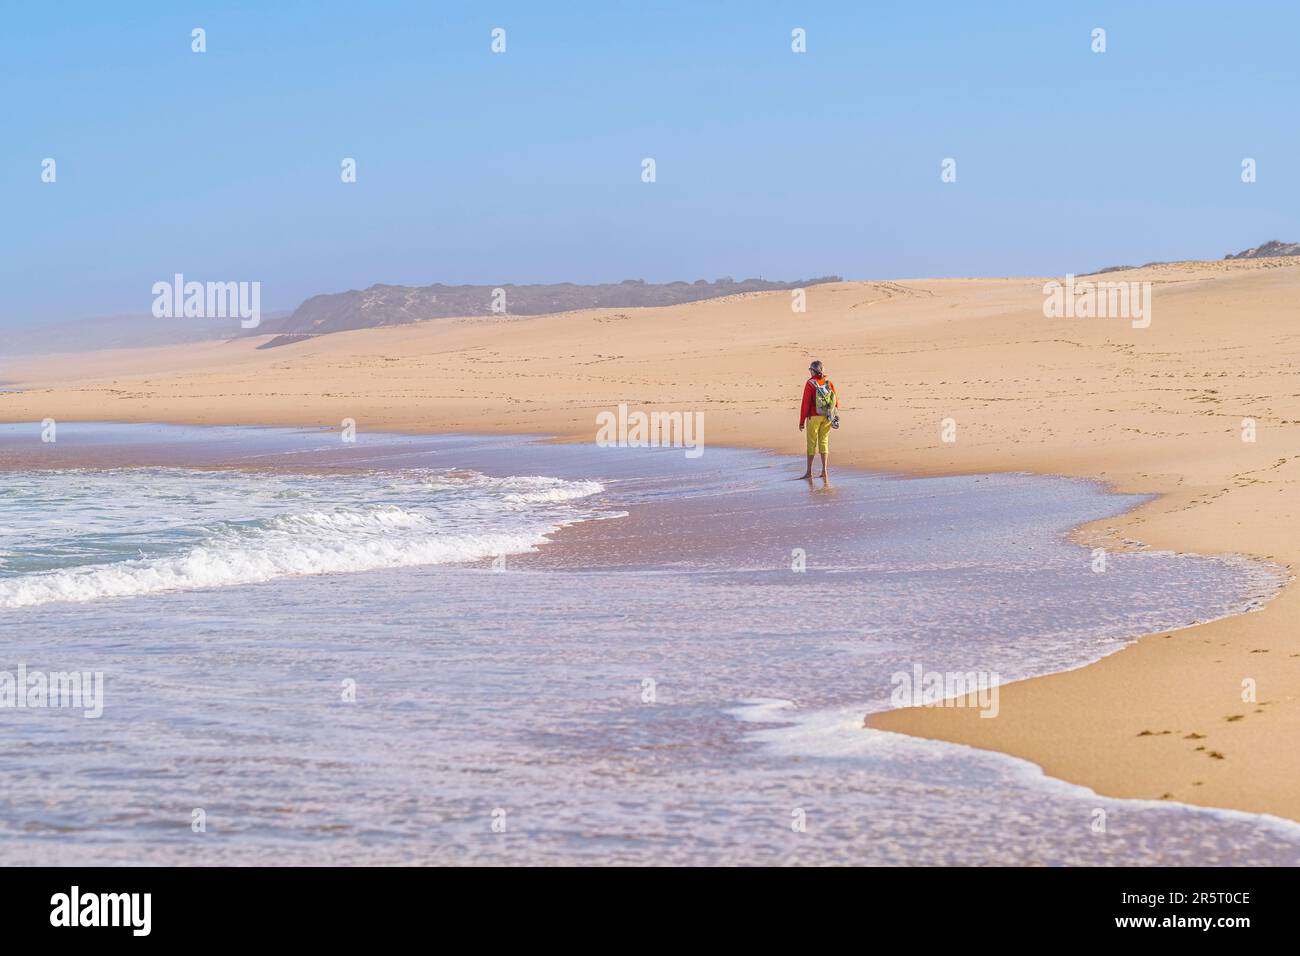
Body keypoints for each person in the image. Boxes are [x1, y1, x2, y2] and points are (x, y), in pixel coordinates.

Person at [798, 360, 837, 479]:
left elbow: (805, 403)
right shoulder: (829, 383)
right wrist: (834, 416)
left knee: (811, 443)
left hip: (813, 417)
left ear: (813, 371)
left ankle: (809, 472)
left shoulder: (810, 383)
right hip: (827, 416)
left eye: (810, 370)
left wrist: (801, 421)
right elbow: (836, 402)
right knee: (824, 442)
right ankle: (824, 471)